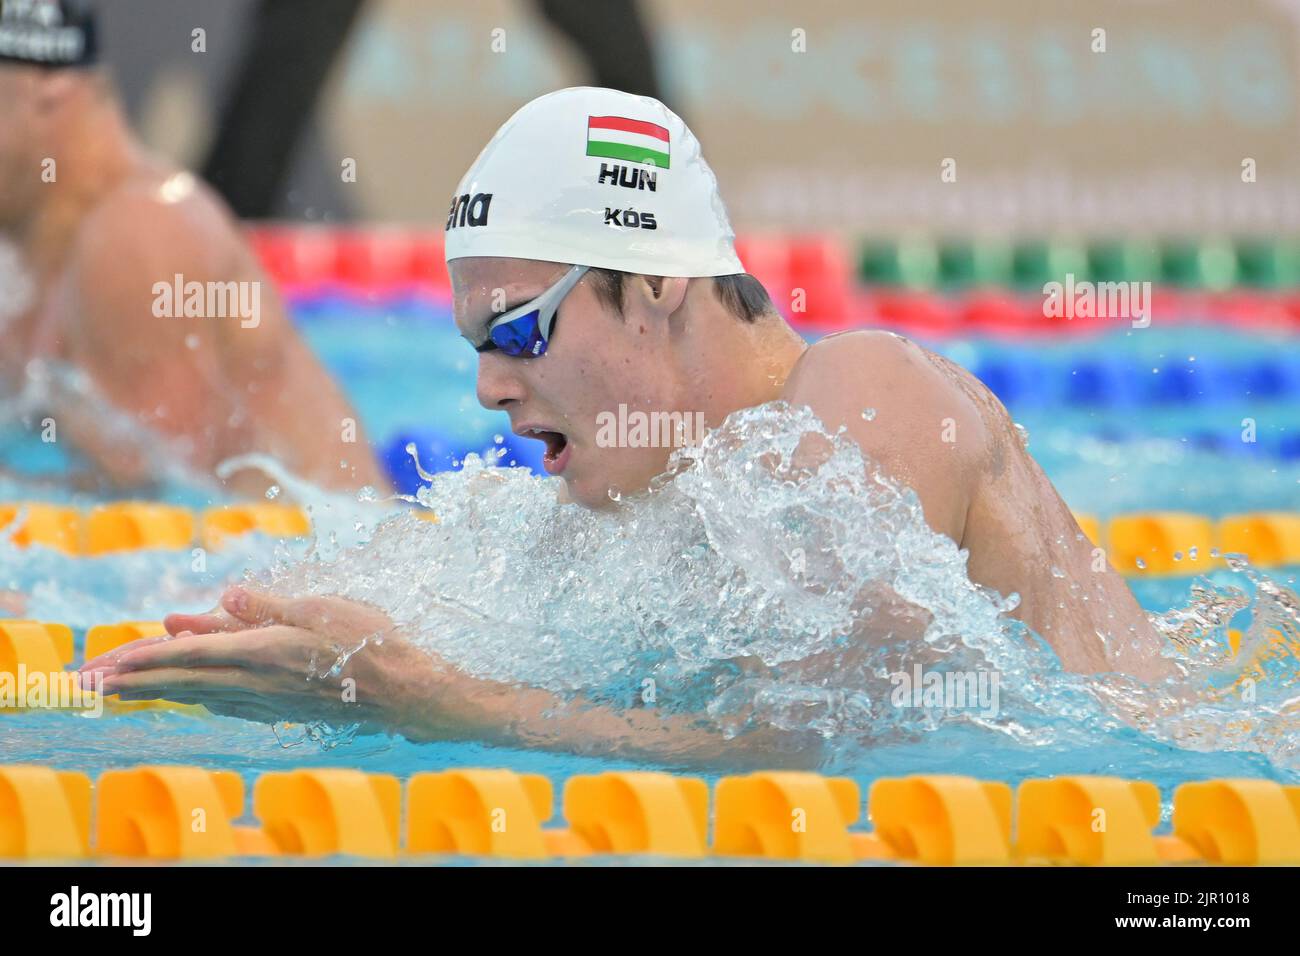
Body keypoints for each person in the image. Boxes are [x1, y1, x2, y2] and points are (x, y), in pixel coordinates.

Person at [81, 87, 1173, 766]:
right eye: (475, 343)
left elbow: (843, 747)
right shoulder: (673, 485)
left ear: (653, 285)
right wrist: (333, 651)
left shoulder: (860, 394)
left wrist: (434, 701)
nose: (487, 389)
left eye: (514, 329)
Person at [0, 0, 383, 495]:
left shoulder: (137, 233)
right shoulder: (28, 256)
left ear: (46, 82)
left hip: (318, 561)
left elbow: (170, 508)